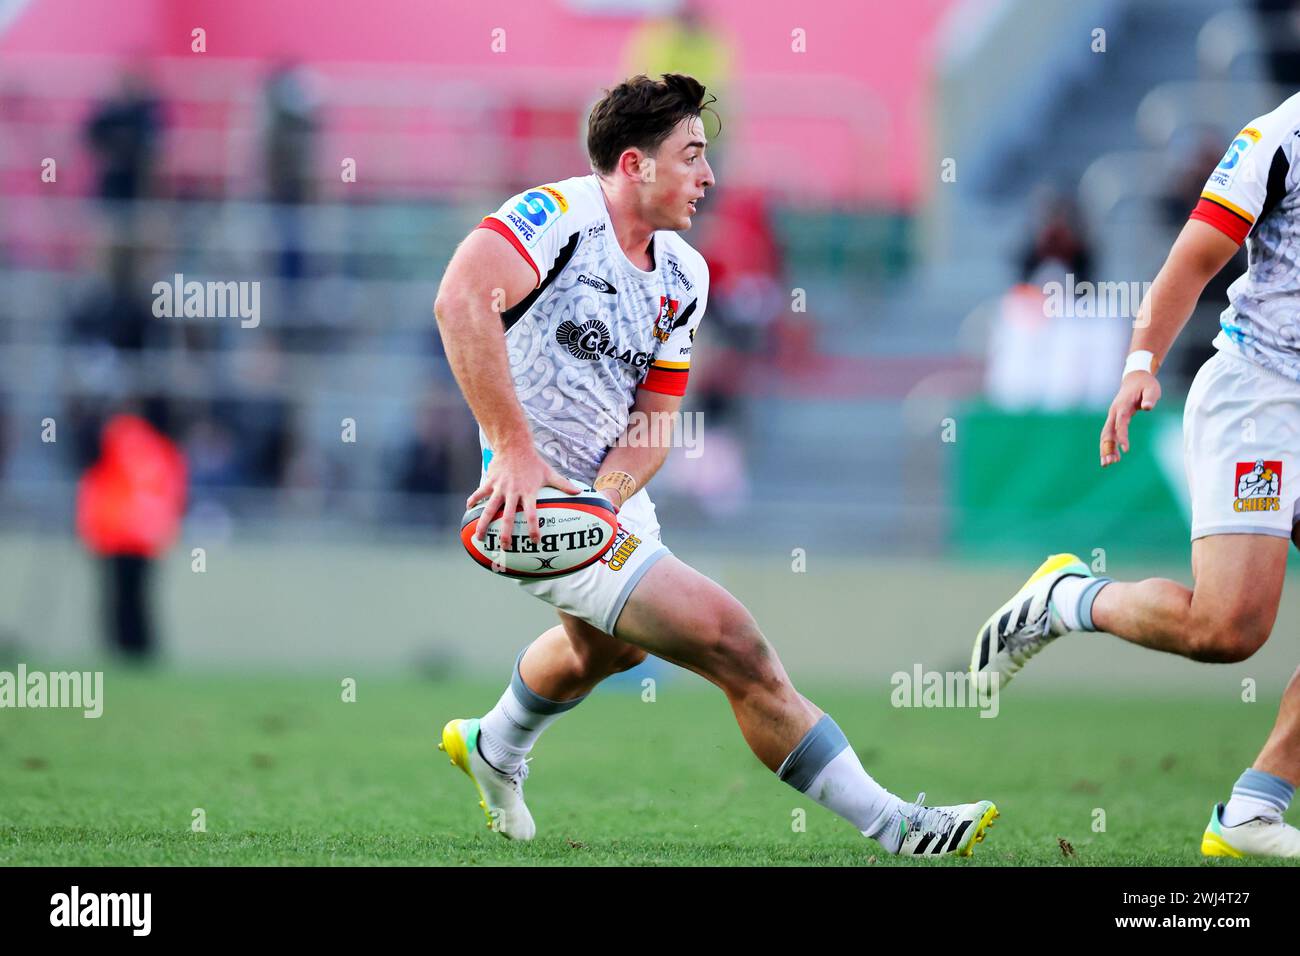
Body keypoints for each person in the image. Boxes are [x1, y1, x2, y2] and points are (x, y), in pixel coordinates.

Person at [432, 74, 998, 856]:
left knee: (611, 650)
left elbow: (655, 427)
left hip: (594, 498)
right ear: (634, 166)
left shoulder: (686, 275)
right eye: (692, 156)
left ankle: (495, 744)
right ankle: (899, 826)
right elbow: (461, 299)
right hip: (529, 498)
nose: (708, 176)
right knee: (735, 642)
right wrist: (518, 454)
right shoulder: (556, 217)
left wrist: (605, 501)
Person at [971, 94, 1300, 858]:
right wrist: (1140, 365)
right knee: (1228, 631)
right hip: (1263, 398)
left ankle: (1255, 807)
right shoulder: (1279, 139)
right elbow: (1190, 260)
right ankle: (1069, 598)